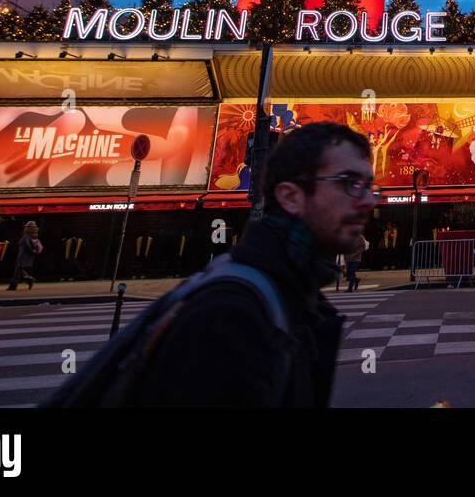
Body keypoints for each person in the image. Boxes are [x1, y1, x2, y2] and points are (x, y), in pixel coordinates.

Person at [126, 121, 376, 406]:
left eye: (368, 186)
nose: (368, 200)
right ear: (291, 196)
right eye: (350, 184)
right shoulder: (230, 312)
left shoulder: (298, 297)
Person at [7, 221, 43, 290]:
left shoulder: (26, 237)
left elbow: (27, 246)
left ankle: (14, 285)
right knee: (19, 270)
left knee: (17, 271)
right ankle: (29, 280)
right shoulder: (33, 236)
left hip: (22, 256)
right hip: (27, 256)